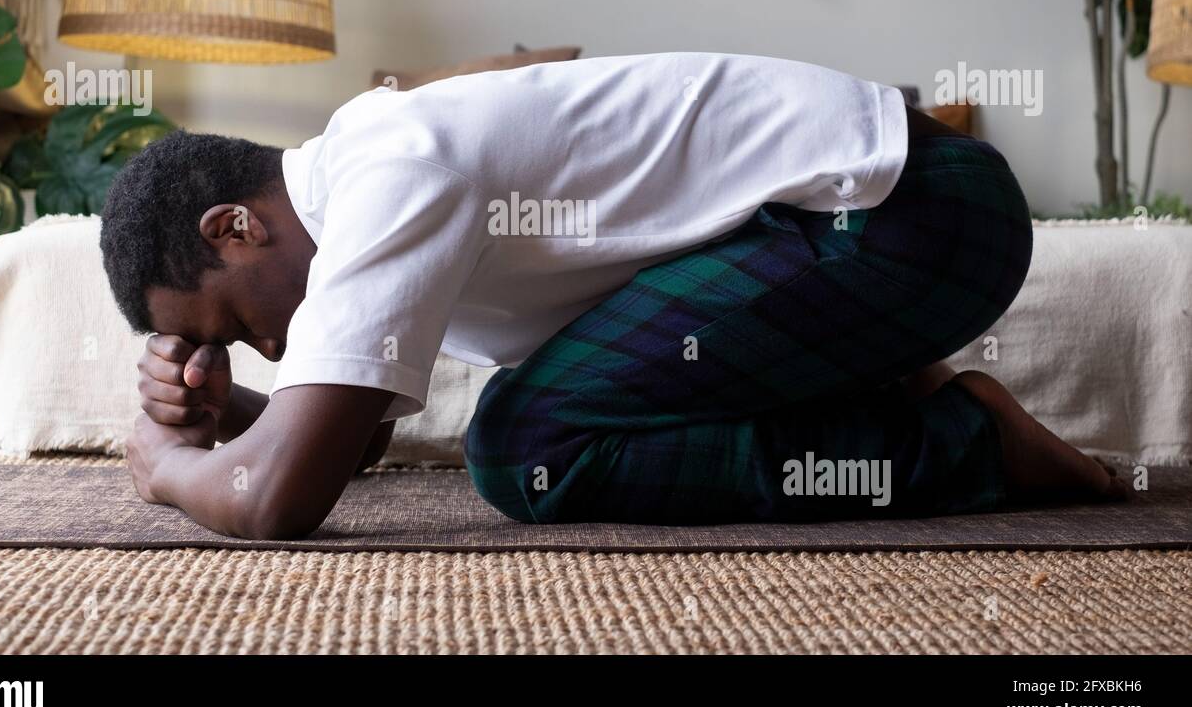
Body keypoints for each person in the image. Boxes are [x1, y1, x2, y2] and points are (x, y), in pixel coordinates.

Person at [99, 51, 1124, 539]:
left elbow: (279, 496)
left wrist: (170, 467)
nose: (271, 351)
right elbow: (347, 442)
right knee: (546, 419)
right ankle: (896, 398)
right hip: (886, 225)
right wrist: (229, 414)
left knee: (526, 443)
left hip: (916, 218)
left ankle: (966, 448)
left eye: (240, 327)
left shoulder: (387, 174)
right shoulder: (365, 166)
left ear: (235, 227)